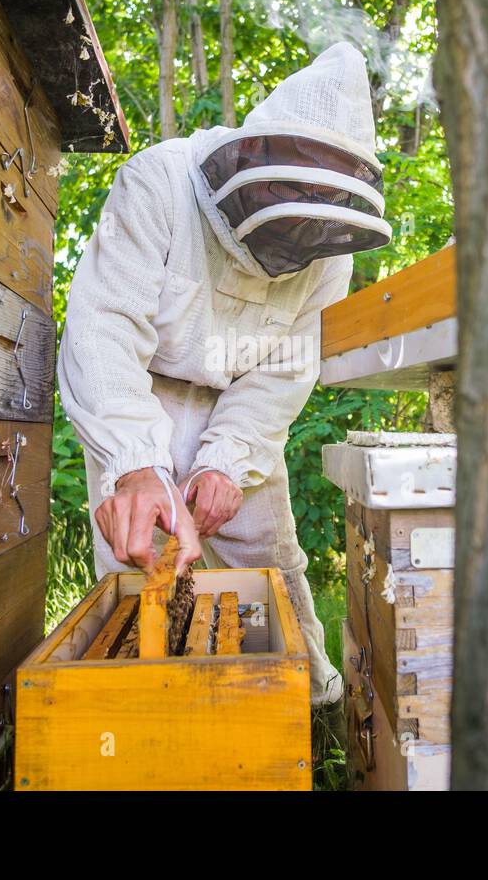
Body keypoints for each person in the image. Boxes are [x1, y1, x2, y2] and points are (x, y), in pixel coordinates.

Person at [57, 42, 391, 706]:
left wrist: (226, 462)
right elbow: (105, 325)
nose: (290, 250)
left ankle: (306, 711)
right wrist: (137, 463)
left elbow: (284, 369)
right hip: (140, 389)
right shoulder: (159, 182)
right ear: (258, 163)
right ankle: (143, 719)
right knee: (141, 566)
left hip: (238, 402)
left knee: (271, 561)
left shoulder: (327, 253)